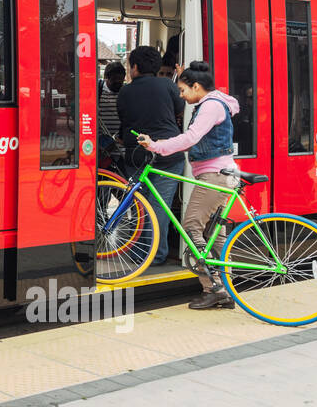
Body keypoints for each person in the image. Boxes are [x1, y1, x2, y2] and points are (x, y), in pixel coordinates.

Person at [136, 61, 241, 310]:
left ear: (196, 86)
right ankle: (227, 287)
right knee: (215, 235)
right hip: (222, 175)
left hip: (214, 176)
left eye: (183, 90)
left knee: (192, 225)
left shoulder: (211, 106)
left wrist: (155, 146)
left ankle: (213, 288)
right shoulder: (216, 101)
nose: (181, 96)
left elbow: (191, 137)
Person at [116, 46, 185, 265]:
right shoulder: (168, 85)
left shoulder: (126, 91)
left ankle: (138, 253)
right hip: (168, 156)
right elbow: (180, 107)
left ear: (134, 67)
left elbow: (124, 118)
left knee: (138, 206)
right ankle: (156, 255)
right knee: (159, 208)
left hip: (137, 156)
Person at [97, 61, 126, 160]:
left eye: (121, 80)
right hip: (101, 147)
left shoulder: (126, 92)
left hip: (121, 149)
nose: (118, 83)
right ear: (107, 78)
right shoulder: (98, 90)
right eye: (115, 80)